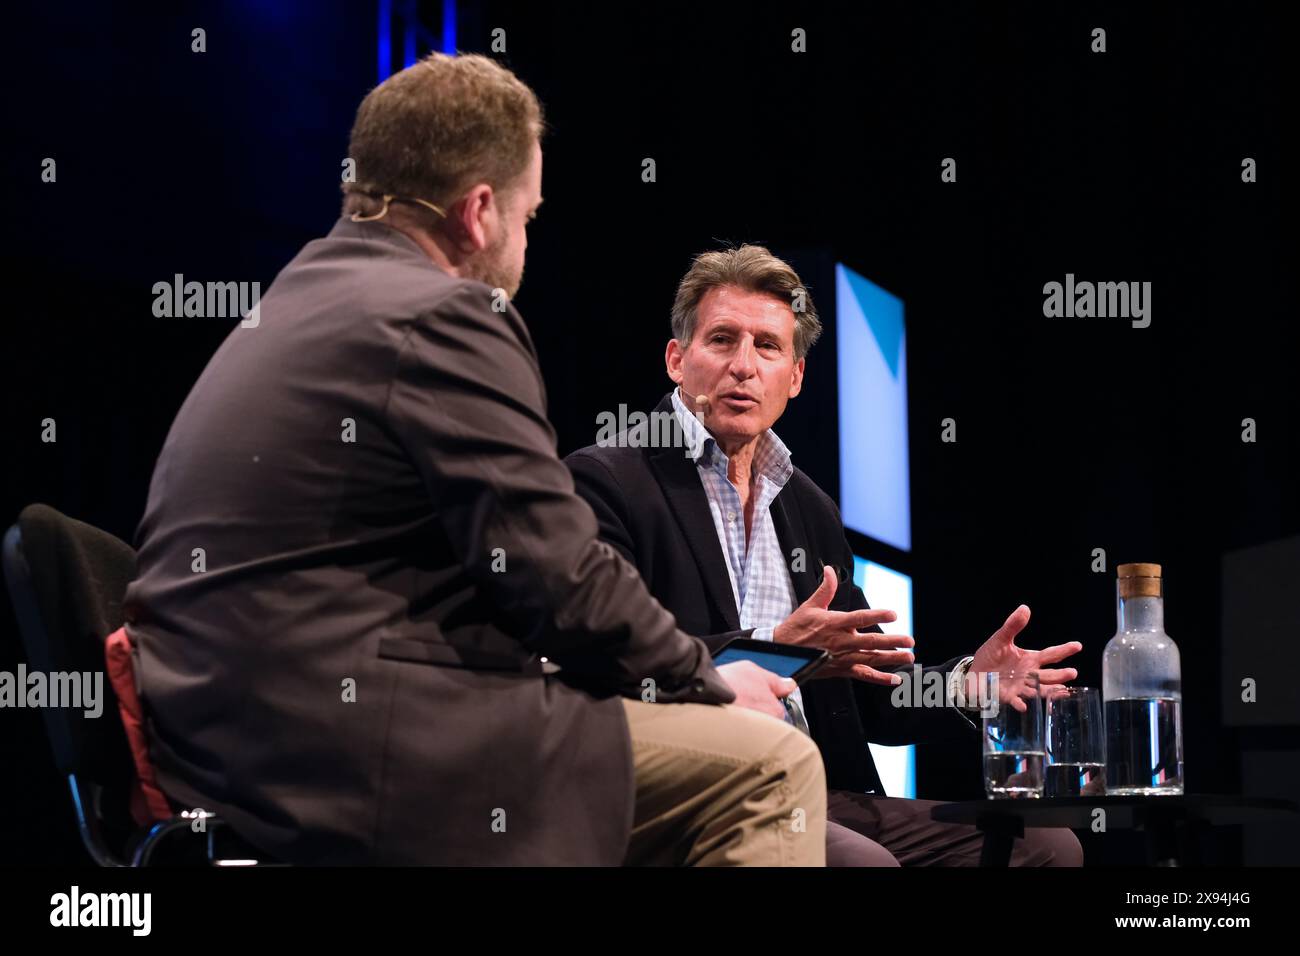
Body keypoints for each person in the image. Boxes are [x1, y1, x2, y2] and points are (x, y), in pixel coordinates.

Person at [122, 55, 826, 866]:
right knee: (770, 766)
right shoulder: (442, 315)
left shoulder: (290, 300)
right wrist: (708, 682)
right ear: (480, 212)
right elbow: (560, 579)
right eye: (529, 216)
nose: (526, 240)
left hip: (220, 733)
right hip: (345, 741)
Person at [566, 244, 1085, 866]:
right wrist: (778, 645)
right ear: (677, 359)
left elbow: (868, 688)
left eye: (767, 347)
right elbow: (600, 662)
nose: (743, 366)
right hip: (693, 789)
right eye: (722, 340)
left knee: (1048, 847)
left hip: (824, 791)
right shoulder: (608, 481)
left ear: (796, 375)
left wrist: (964, 686)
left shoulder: (808, 507)